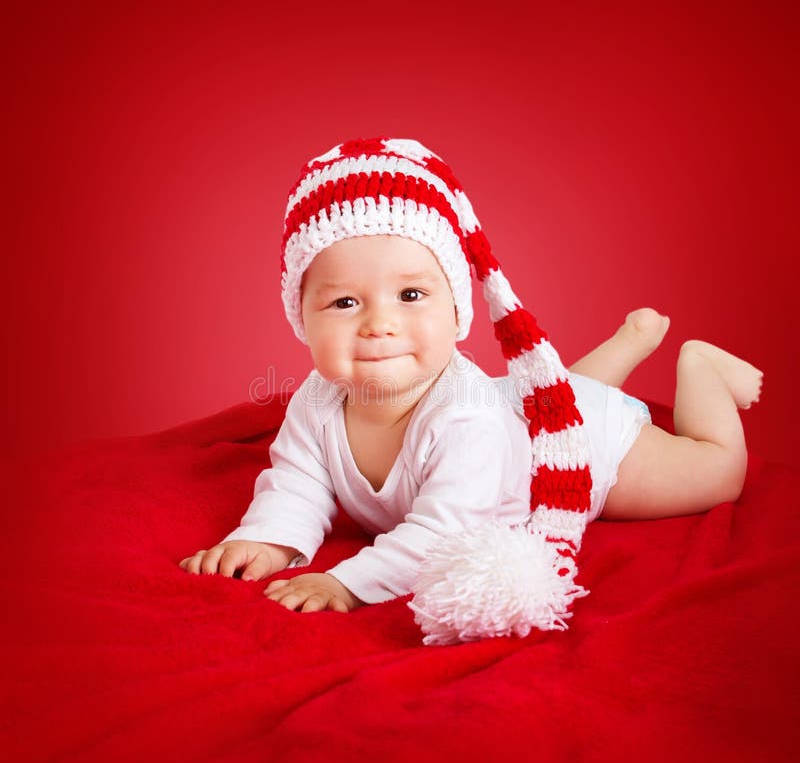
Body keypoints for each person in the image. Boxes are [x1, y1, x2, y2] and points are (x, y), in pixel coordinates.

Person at [180, 137, 762, 639]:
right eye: (344, 302)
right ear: (301, 317)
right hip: (529, 405)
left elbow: (445, 532)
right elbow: (297, 481)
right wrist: (268, 540)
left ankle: (702, 368)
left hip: (591, 443)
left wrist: (347, 582)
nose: (378, 323)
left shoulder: (467, 419)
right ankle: (626, 344)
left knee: (718, 473)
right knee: (545, 394)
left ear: (457, 310)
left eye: (410, 296)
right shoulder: (317, 399)